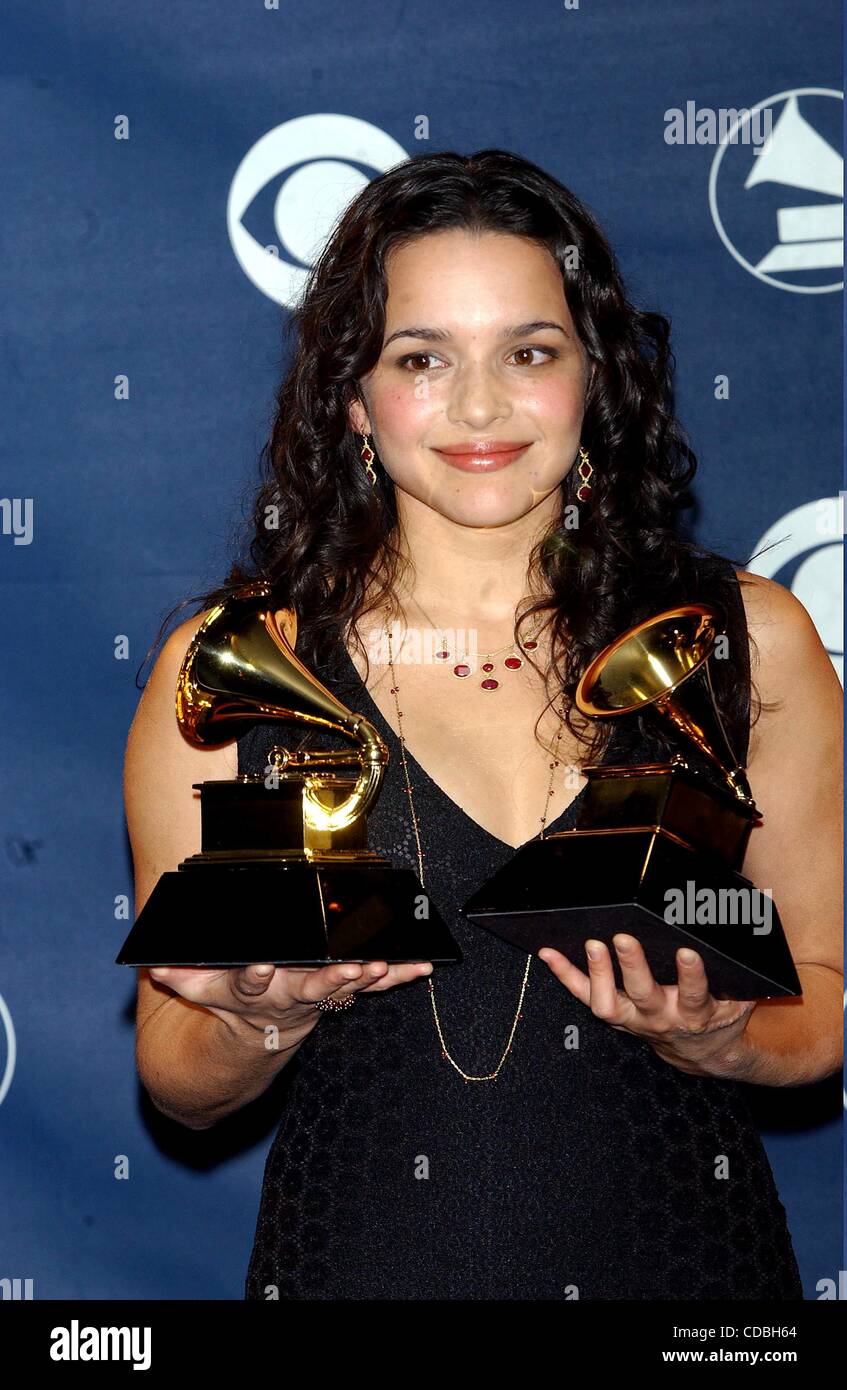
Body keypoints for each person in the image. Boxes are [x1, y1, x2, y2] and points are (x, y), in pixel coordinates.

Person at [125, 149, 842, 1300]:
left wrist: (723, 1038)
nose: (477, 406)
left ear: (595, 375)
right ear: (353, 396)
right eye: (422, 358)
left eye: (528, 352)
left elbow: (821, 999)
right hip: (357, 1266)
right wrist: (264, 1017)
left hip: (688, 1278)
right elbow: (177, 1072)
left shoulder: (741, 644)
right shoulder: (238, 672)